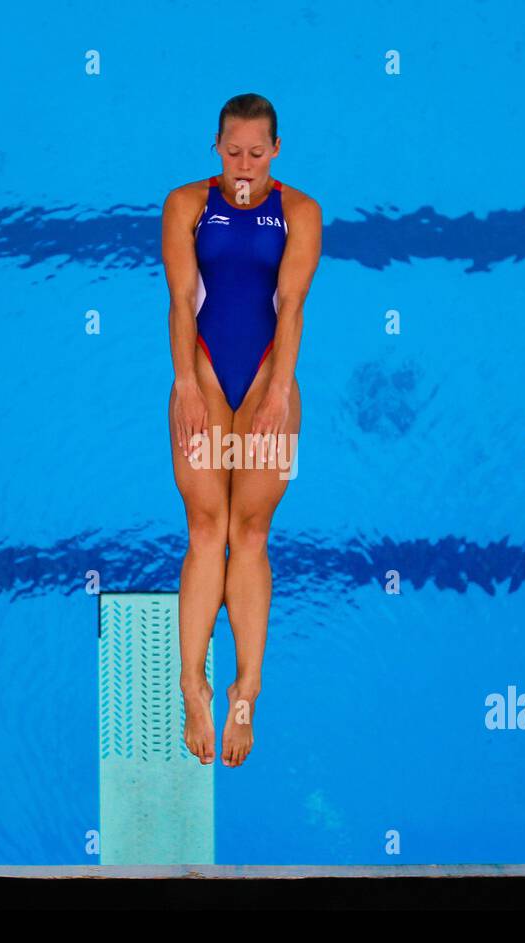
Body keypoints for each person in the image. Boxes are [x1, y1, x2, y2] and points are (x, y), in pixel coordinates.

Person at [161, 93, 322, 767]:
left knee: (250, 532)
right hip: (202, 371)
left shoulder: (301, 213)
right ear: (215, 148)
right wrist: (186, 384)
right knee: (206, 529)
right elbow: (181, 299)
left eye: (257, 153)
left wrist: (280, 390)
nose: (245, 166)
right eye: (233, 153)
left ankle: (245, 686)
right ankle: (192, 680)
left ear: (276, 150)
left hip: (265, 377)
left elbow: (290, 304)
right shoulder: (185, 205)